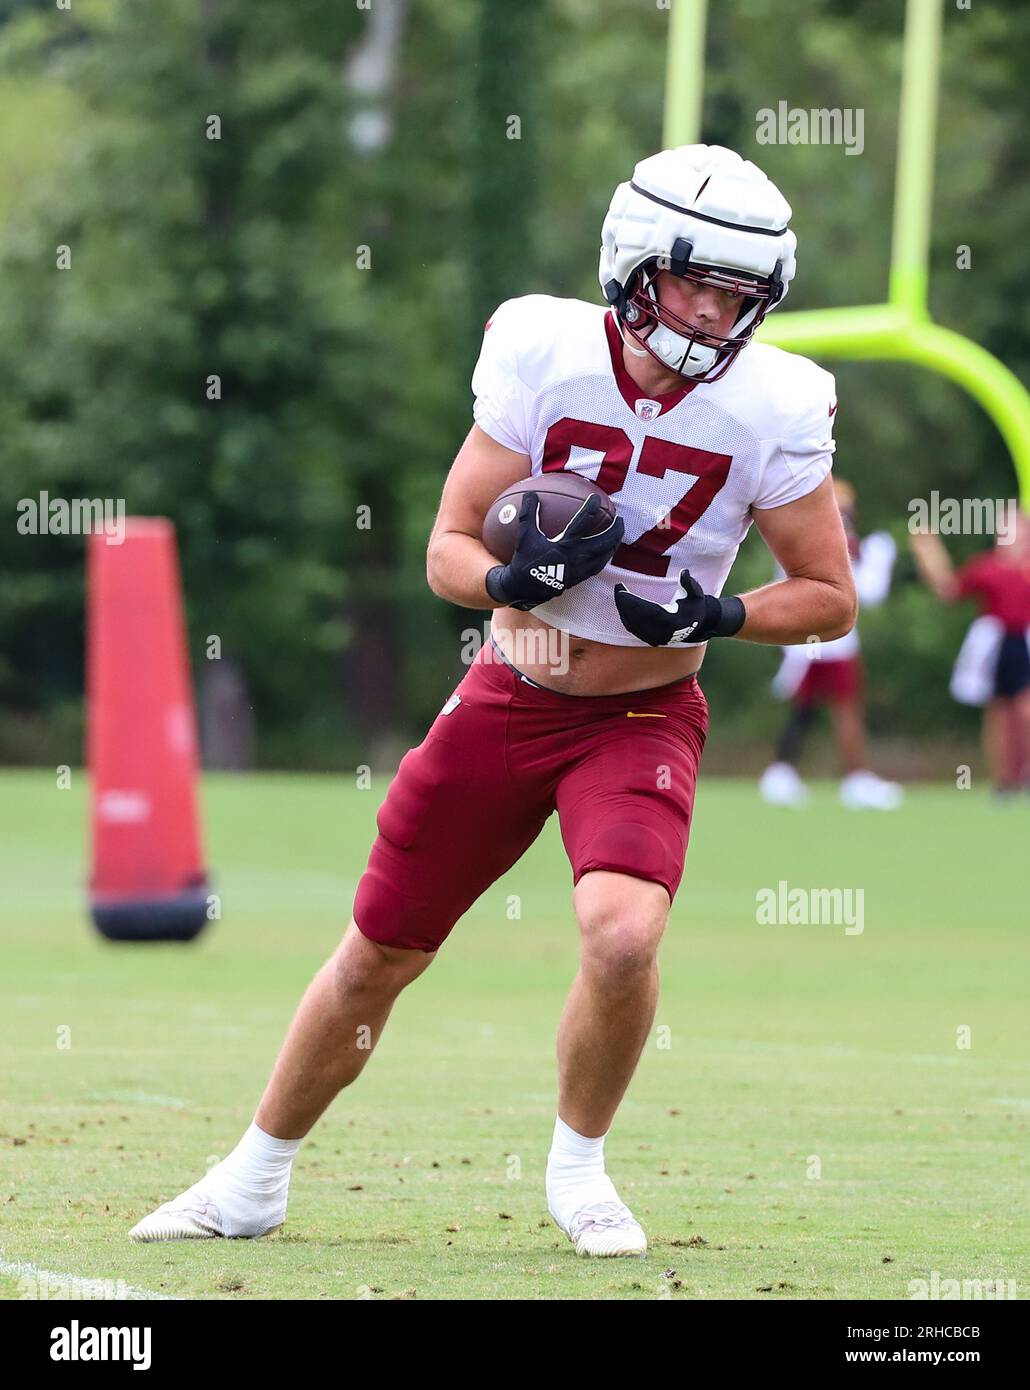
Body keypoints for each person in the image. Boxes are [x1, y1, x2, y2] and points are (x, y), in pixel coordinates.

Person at [129, 145, 856, 1258]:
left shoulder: (776, 402)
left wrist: (718, 616)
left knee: (622, 936)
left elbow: (828, 597)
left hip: (641, 716)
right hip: (509, 695)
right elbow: (445, 550)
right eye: (697, 282)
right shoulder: (543, 350)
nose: (716, 313)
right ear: (632, 265)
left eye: (740, 295)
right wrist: (509, 583)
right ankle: (252, 1177)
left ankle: (579, 1171)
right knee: (381, 949)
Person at [759, 478, 902, 809]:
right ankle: (855, 777)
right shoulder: (816, 543)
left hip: (818, 640)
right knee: (841, 708)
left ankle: (784, 772)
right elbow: (863, 592)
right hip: (824, 640)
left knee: (806, 710)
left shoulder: (810, 539)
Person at [910, 514, 1030, 796]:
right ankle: (1005, 781)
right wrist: (929, 552)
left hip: (1024, 642)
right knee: (999, 714)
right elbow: (950, 591)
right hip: (998, 645)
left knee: (1025, 711)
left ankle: (1024, 774)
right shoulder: (987, 567)